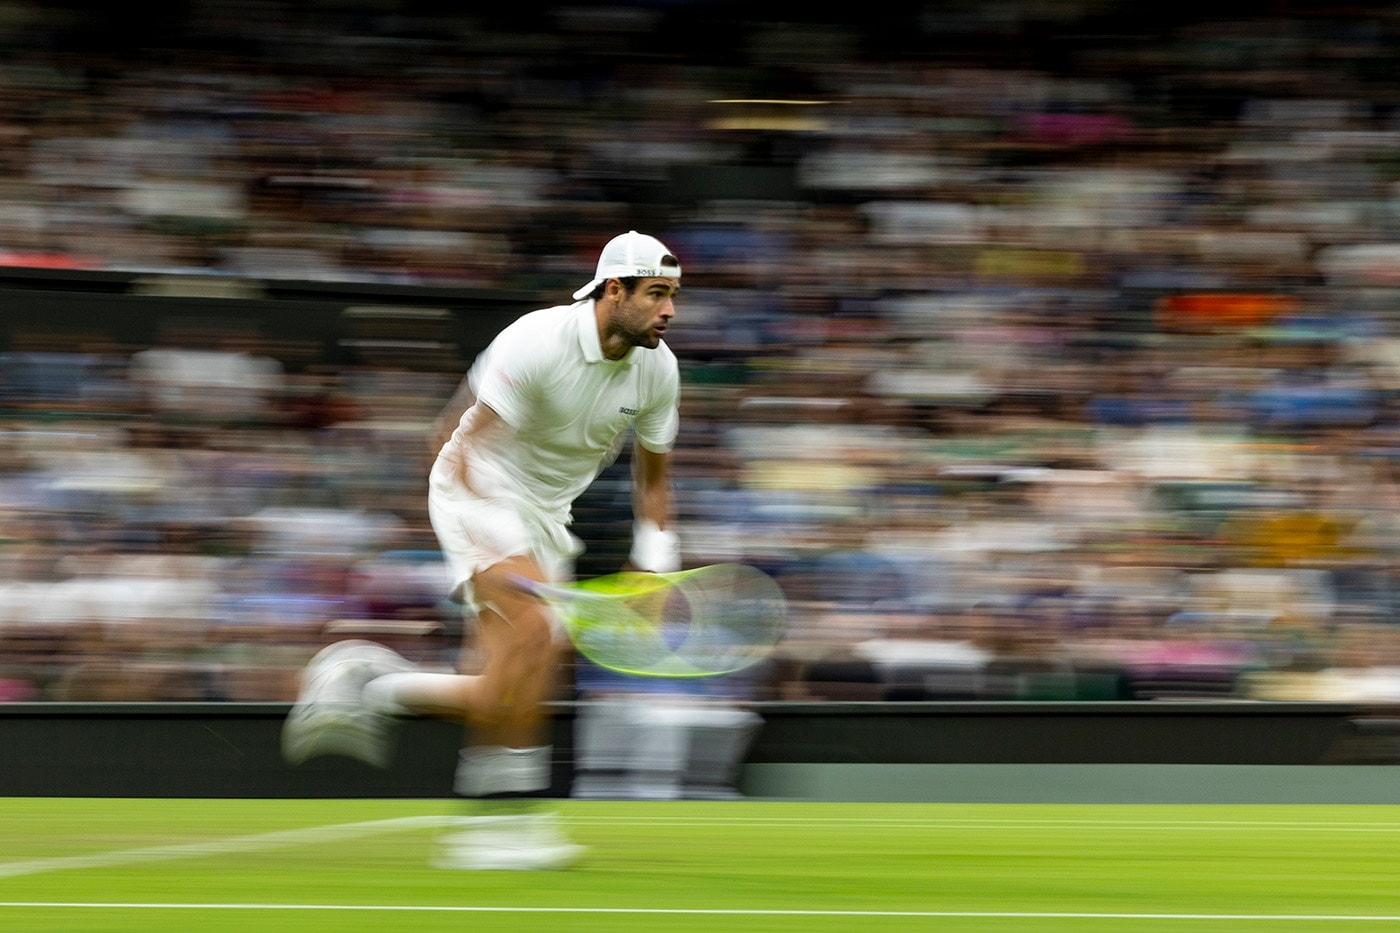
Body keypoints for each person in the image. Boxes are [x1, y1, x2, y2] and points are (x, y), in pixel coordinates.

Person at [281, 230, 684, 870]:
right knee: (536, 631)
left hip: (548, 515)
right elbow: (456, 441)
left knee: (515, 683)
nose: (669, 311)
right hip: (477, 488)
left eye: (672, 296)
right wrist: (502, 558)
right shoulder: (537, 340)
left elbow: (654, 480)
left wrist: (654, 569)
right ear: (615, 291)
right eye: (657, 294)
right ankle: (490, 826)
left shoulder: (659, 370)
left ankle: (375, 688)